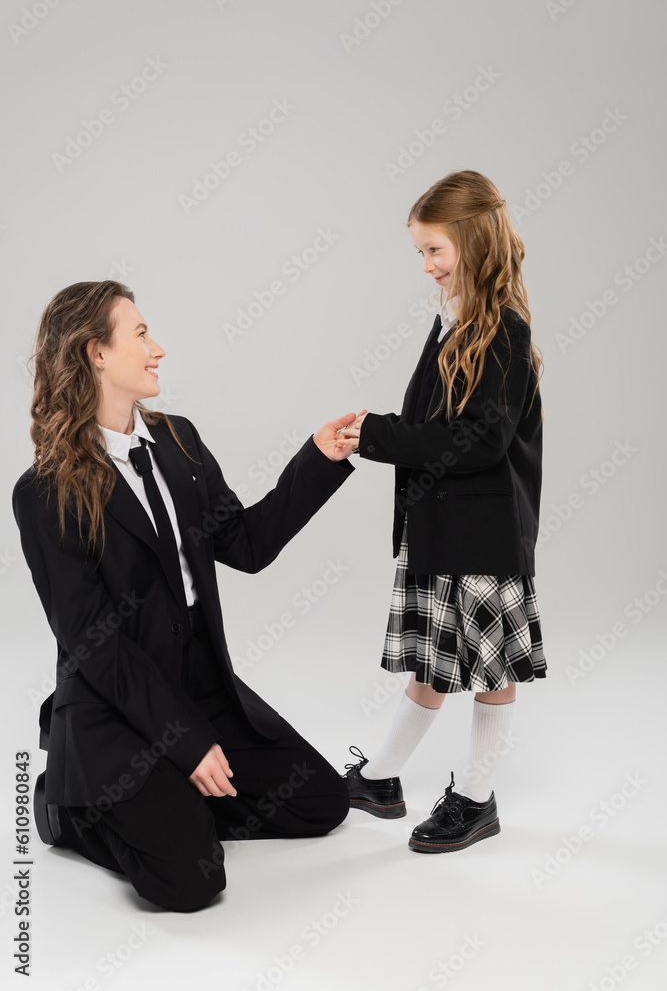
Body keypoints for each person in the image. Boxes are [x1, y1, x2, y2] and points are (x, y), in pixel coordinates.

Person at [12, 280, 361, 911]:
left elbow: (246, 545)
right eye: (141, 334)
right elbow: (94, 642)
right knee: (192, 880)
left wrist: (318, 459)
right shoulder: (44, 491)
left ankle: (169, 803)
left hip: (200, 683)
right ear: (96, 352)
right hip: (115, 701)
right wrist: (184, 743)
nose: (158, 349)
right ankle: (67, 807)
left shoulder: (179, 442)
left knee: (320, 802)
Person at [336, 169, 547, 854]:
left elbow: (479, 440)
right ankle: (379, 779)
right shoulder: (452, 323)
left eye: (434, 250)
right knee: (433, 665)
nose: (425, 266)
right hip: (442, 530)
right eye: (420, 253)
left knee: (490, 673)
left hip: (483, 536)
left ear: (474, 242)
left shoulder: (503, 333)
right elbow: (434, 421)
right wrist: (376, 429)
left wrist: (376, 433)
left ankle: (476, 798)